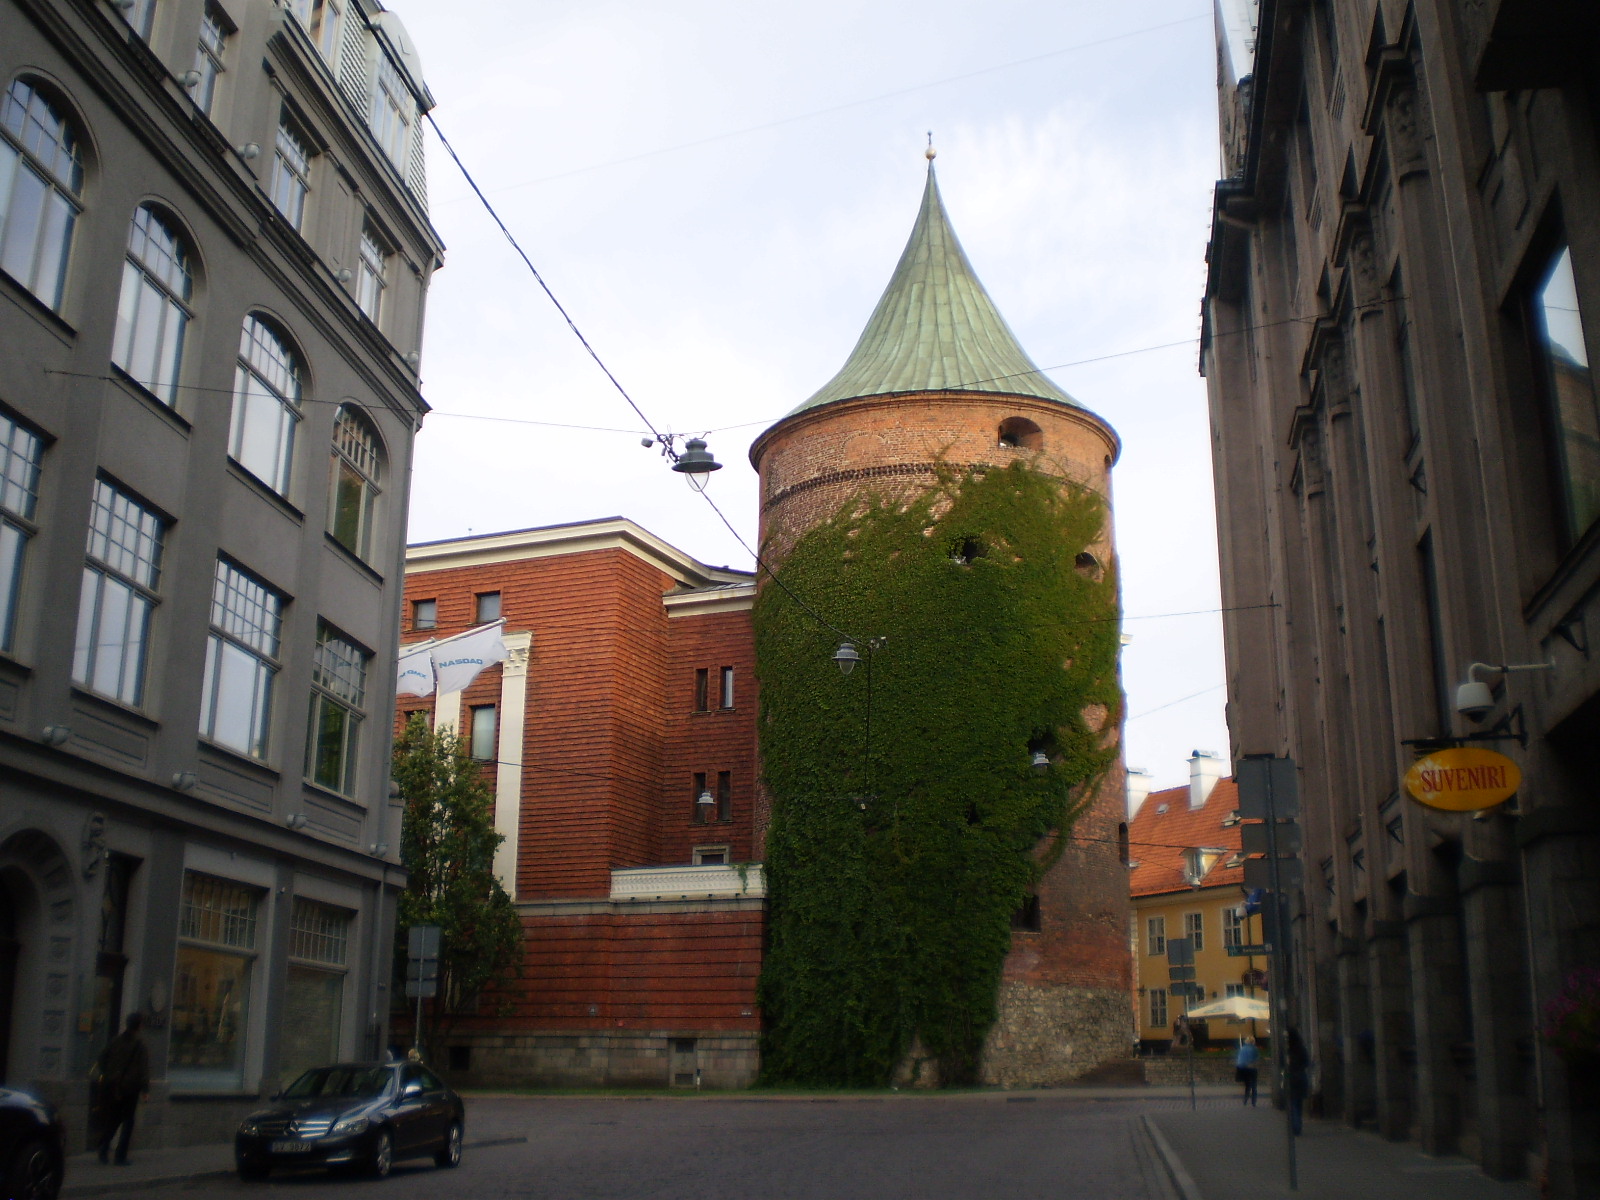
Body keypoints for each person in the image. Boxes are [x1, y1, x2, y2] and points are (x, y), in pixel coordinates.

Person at [92, 1012, 150, 1165]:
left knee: (113, 1119)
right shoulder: (139, 1045)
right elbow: (144, 1069)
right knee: (128, 1122)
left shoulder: (115, 1041)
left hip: (113, 1086)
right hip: (130, 1088)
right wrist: (145, 1090)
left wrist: (109, 1074)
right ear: (139, 1026)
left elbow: (101, 1058)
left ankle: (103, 1150)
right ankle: (120, 1156)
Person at [1286, 1027, 1310, 1136]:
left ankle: (1295, 1126)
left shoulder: (1287, 1050)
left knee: (1293, 1104)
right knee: (1299, 1103)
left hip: (1290, 1077)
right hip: (1301, 1076)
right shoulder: (1301, 1048)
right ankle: (1298, 1125)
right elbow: (1307, 1062)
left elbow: (1282, 1063)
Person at [1235, 1036, 1260, 1106]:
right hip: (1252, 1068)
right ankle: (1253, 1102)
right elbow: (1256, 1058)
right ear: (1253, 1041)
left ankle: (1245, 1100)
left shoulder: (1242, 1049)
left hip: (1244, 1069)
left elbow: (1239, 1060)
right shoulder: (1254, 1048)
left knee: (1247, 1085)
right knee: (1254, 1086)